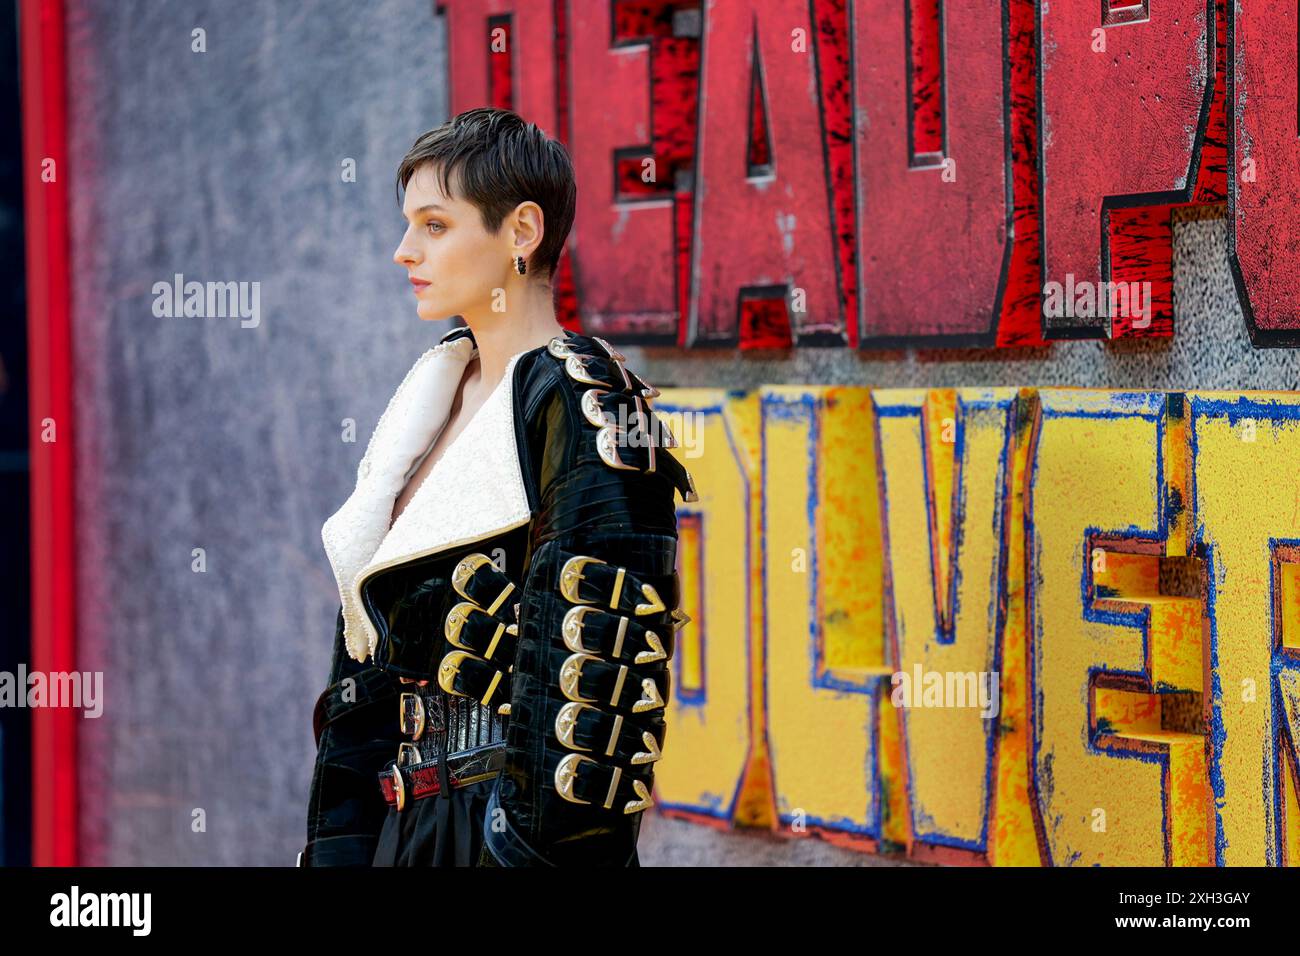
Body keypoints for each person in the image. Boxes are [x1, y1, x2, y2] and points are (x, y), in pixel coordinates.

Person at [301, 107, 697, 867]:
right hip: (401, 826)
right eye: (409, 224)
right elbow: (363, 682)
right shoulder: (427, 399)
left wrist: (524, 852)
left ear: (521, 232)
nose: (403, 251)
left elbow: (600, 694)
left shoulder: (586, 406)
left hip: (501, 833)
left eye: (435, 226)